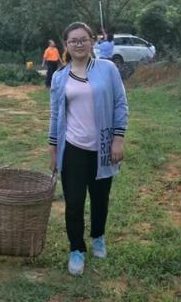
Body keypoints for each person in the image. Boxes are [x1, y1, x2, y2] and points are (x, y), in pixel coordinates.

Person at [48, 22, 128, 276]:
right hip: (72, 148)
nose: (79, 44)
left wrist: (118, 139)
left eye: (83, 39)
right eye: (73, 41)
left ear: (92, 41)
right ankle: (76, 248)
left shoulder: (107, 69)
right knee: (73, 202)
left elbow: (120, 103)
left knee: (100, 199)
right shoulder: (60, 77)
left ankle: (98, 236)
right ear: (66, 45)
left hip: (102, 147)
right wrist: (53, 149)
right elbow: (55, 115)